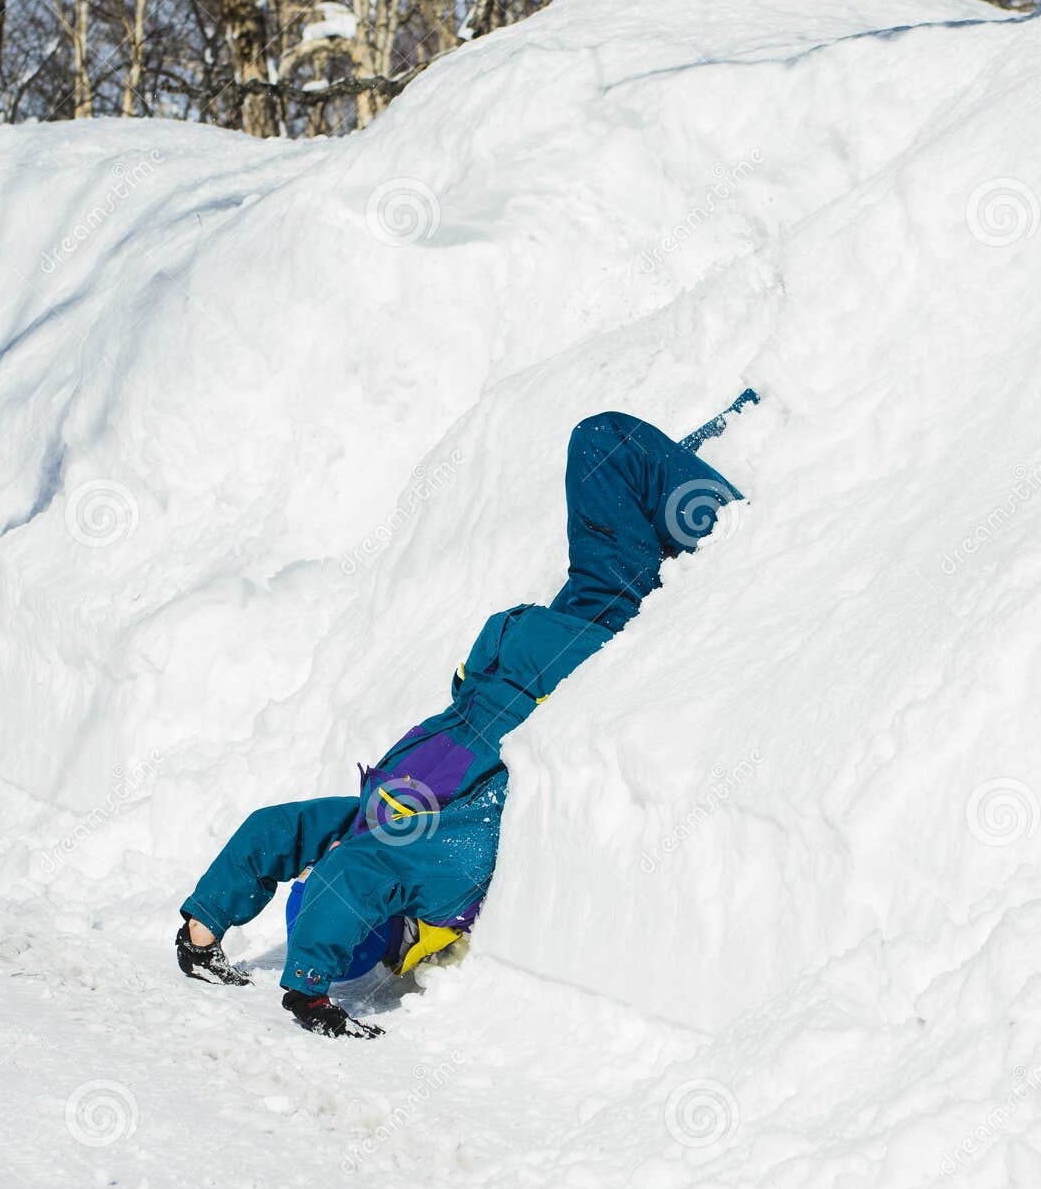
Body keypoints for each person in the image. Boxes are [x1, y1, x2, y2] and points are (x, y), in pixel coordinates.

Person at [176, 399, 753, 1038]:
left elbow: (273, 832)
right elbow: (343, 873)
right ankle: (765, 519)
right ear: (370, 917)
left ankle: (746, 455)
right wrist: (307, 987)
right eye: (323, 884)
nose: (324, 860)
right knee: (605, 449)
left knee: (613, 482)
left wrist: (206, 923)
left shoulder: (374, 832)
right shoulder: (415, 877)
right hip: (560, 668)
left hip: (531, 659)